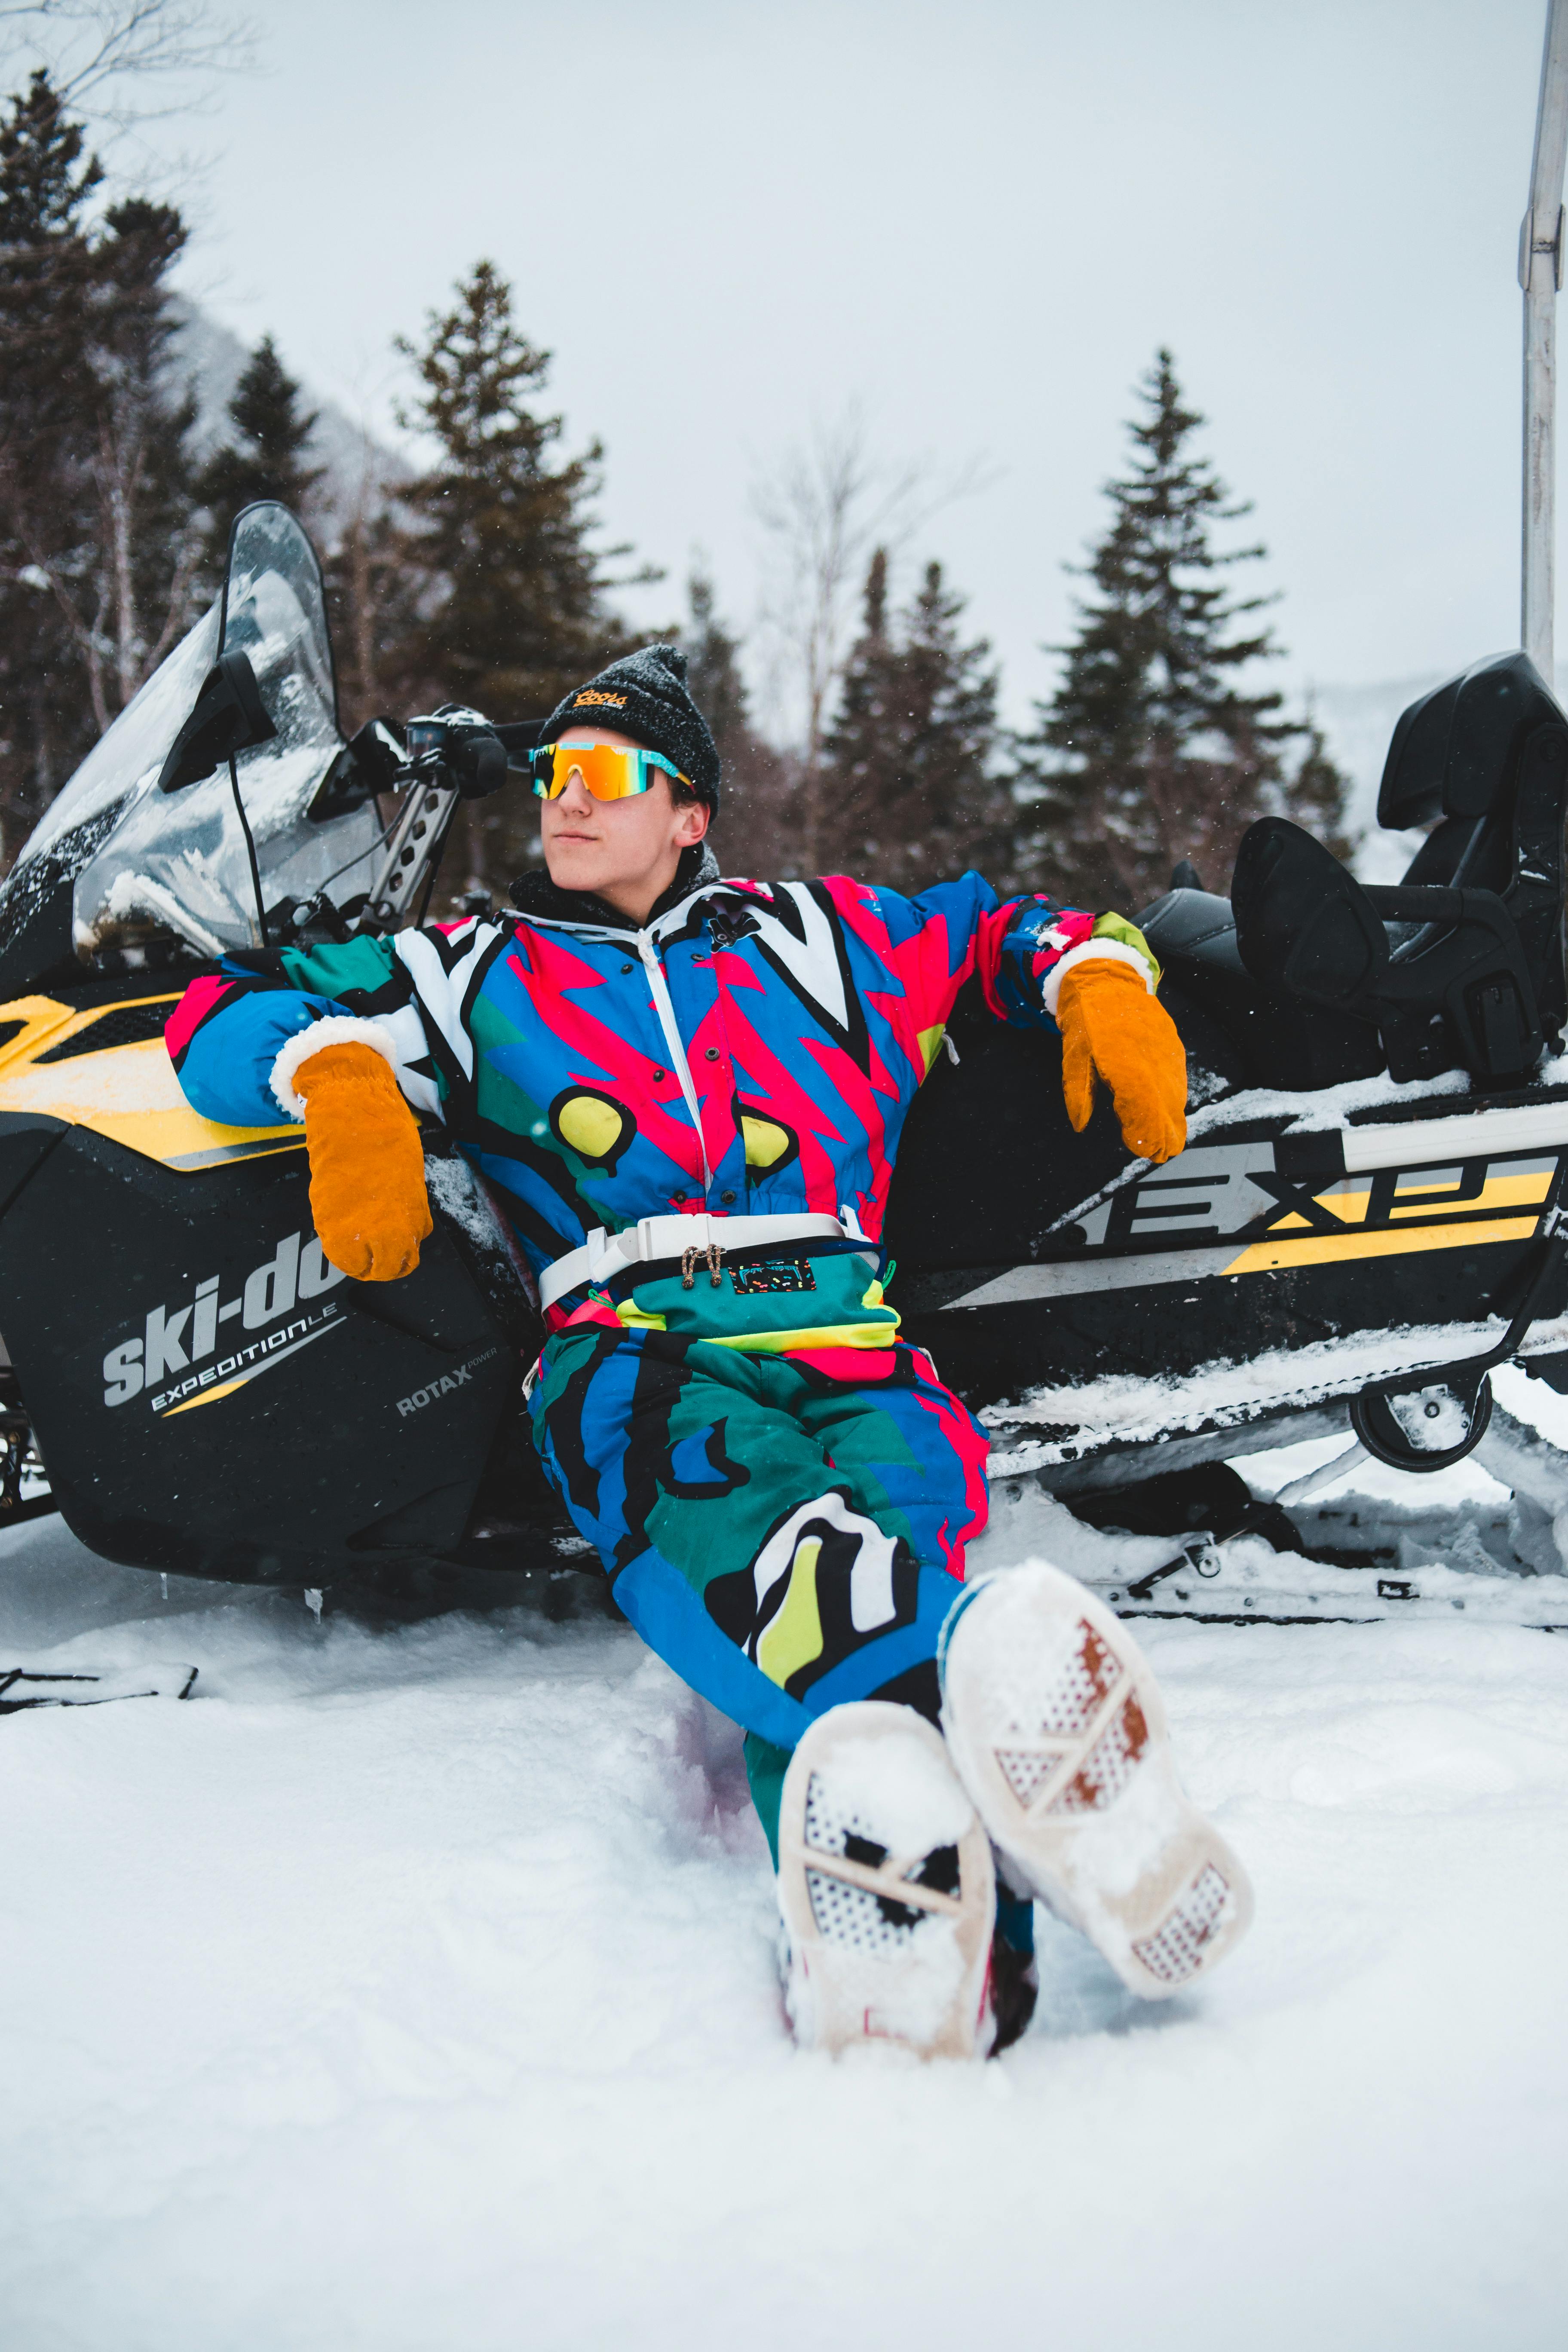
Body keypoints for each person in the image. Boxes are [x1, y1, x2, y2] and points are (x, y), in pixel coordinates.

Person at [165, 646, 1253, 2058]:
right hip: (645, 1356)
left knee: (870, 1586)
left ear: (689, 811)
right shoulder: (472, 971)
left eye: (605, 776)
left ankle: (917, 1962)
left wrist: (1097, 975)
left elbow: (998, 928)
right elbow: (225, 1015)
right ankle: (1033, 1786)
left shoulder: (820, 937)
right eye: (553, 776)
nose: (565, 801)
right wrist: (334, 1072)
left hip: (861, 1349)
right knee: (790, 1563)